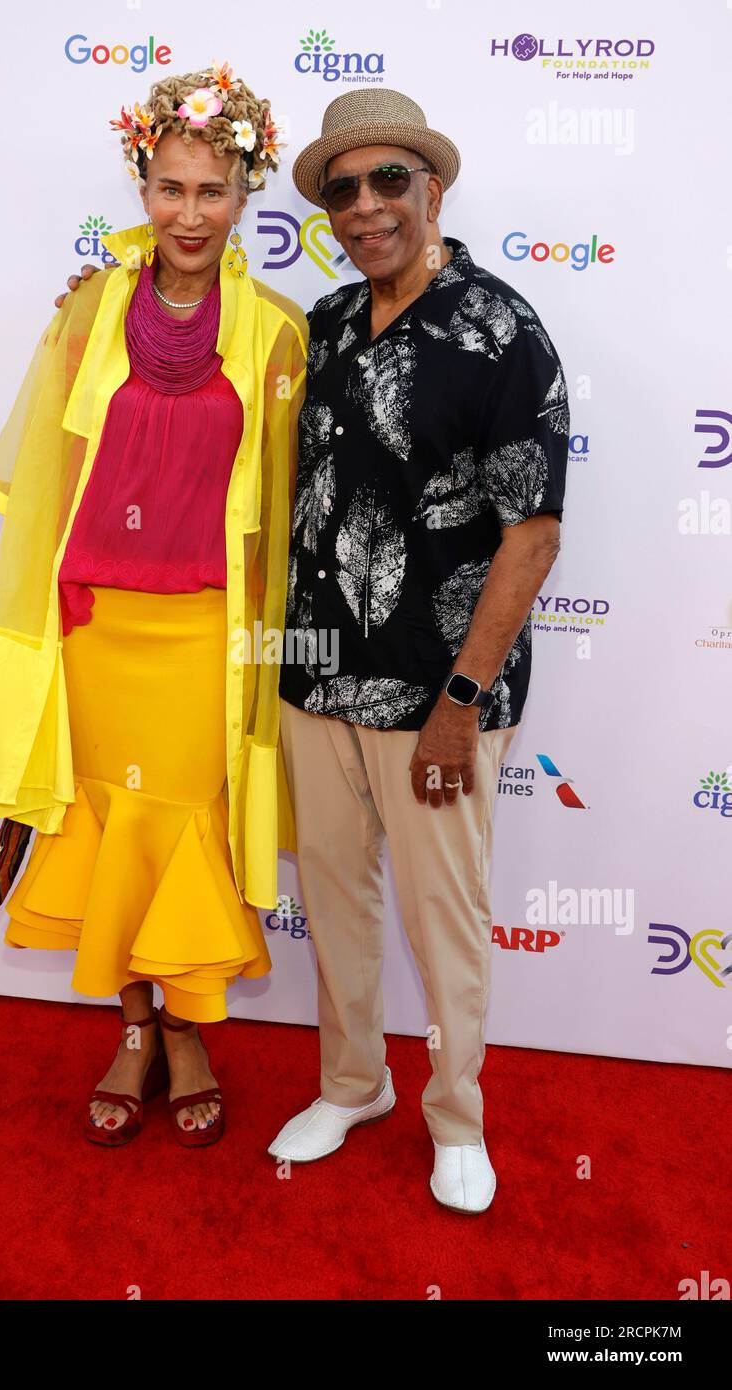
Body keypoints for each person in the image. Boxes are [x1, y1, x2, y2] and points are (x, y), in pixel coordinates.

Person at [0, 63, 307, 1147]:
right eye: (167, 187)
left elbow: (289, 510)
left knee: (182, 825)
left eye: (210, 190)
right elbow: (46, 488)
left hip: (205, 633)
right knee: (109, 826)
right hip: (97, 624)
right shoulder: (90, 311)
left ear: (246, 193)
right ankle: (138, 1026)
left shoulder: (278, 331)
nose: (187, 213)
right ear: (140, 185)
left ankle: (190, 1029)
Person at [267, 88, 569, 1211]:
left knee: (442, 919)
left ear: (432, 187)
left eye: (387, 179)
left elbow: (529, 536)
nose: (363, 204)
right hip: (315, 679)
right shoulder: (329, 322)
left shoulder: (501, 330)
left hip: (437, 696)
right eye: (341, 189)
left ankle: (455, 1112)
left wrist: (458, 699)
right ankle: (352, 1085)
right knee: (335, 902)